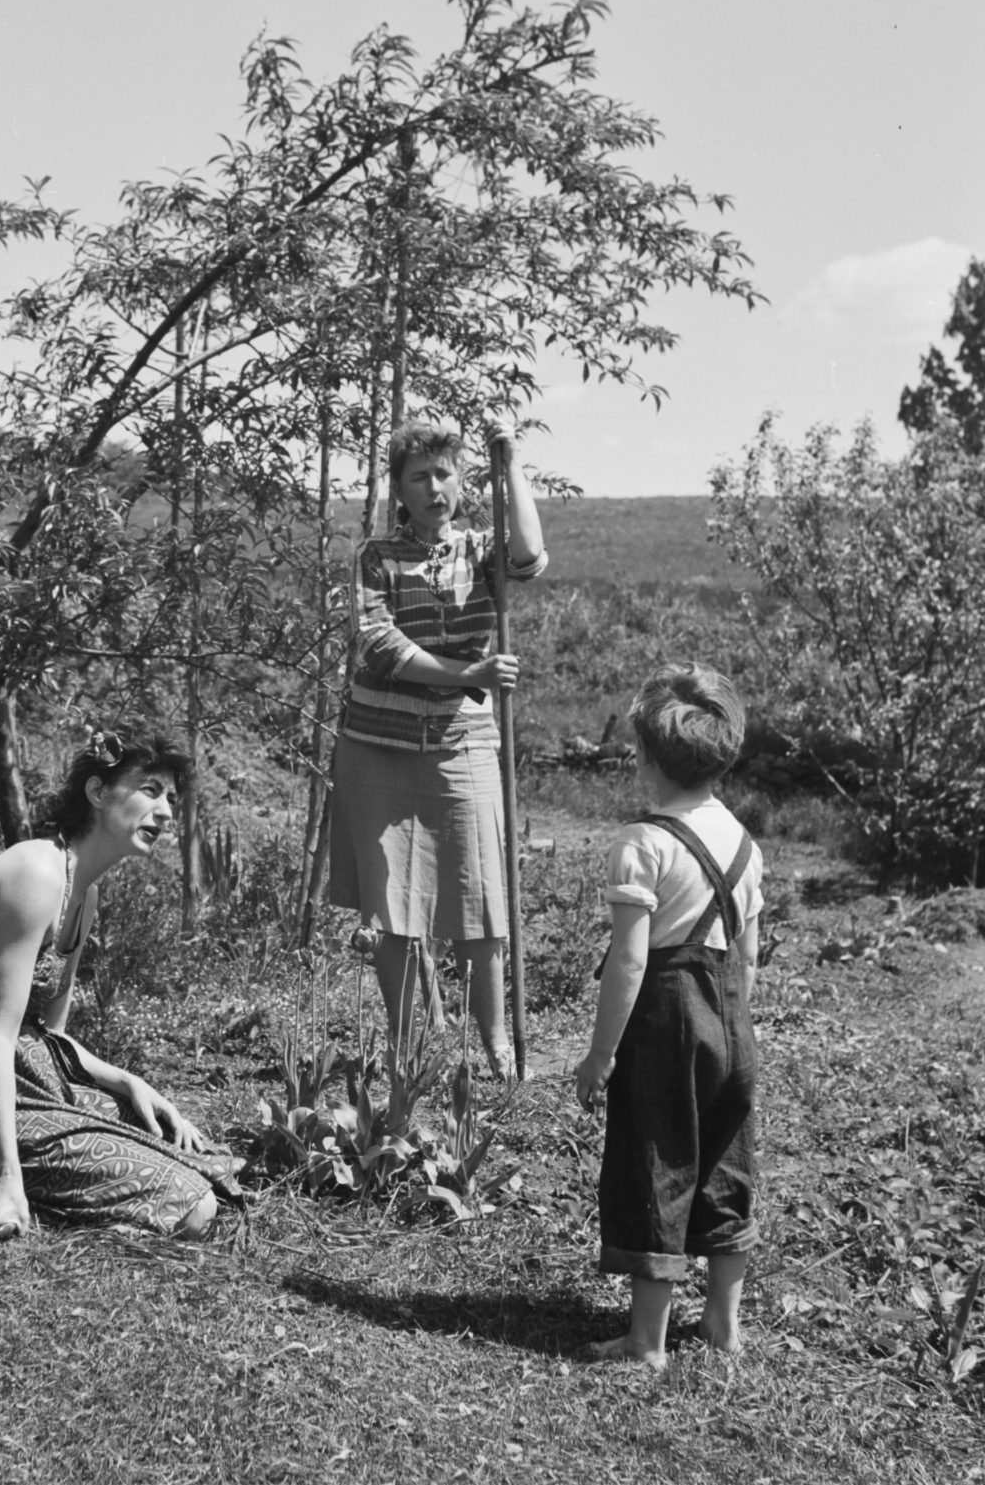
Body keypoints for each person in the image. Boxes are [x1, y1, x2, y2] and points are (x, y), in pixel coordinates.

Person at [0, 732, 243, 1242]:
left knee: (202, 1153)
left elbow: (46, 1035)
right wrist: (5, 1179)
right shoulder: (36, 873)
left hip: (30, 1082)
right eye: (149, 790)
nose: (166, 811)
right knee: (192, 1204)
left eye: (171, 798)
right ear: (97, 792)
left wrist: (129, 1083)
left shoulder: (83, 894)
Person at [328, 420, 547, 1077]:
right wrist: (469, 677)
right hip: (378, 745)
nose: (434, 487)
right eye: (419, 476)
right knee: (394, 906)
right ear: (399, 487)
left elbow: (530, 555)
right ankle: (403, 1047)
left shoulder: (483, 549)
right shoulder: (376, 556)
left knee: (482, 899)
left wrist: (508, 464)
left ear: (462, 481)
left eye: (446, 473)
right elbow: (381, 646)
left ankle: (498, 1043)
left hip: (462, 744)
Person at [574, 664, 764, 1366]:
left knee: (658, 1159)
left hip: (668, 1021)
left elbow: (629, 961)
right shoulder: (745, 842)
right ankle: (723, 1326)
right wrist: (735, 1029)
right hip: (732, 1018)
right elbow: (747, 957)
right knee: (724, 1163)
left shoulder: (643, 842)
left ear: (648, 759)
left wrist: (601, 1053)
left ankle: (646, 1342)